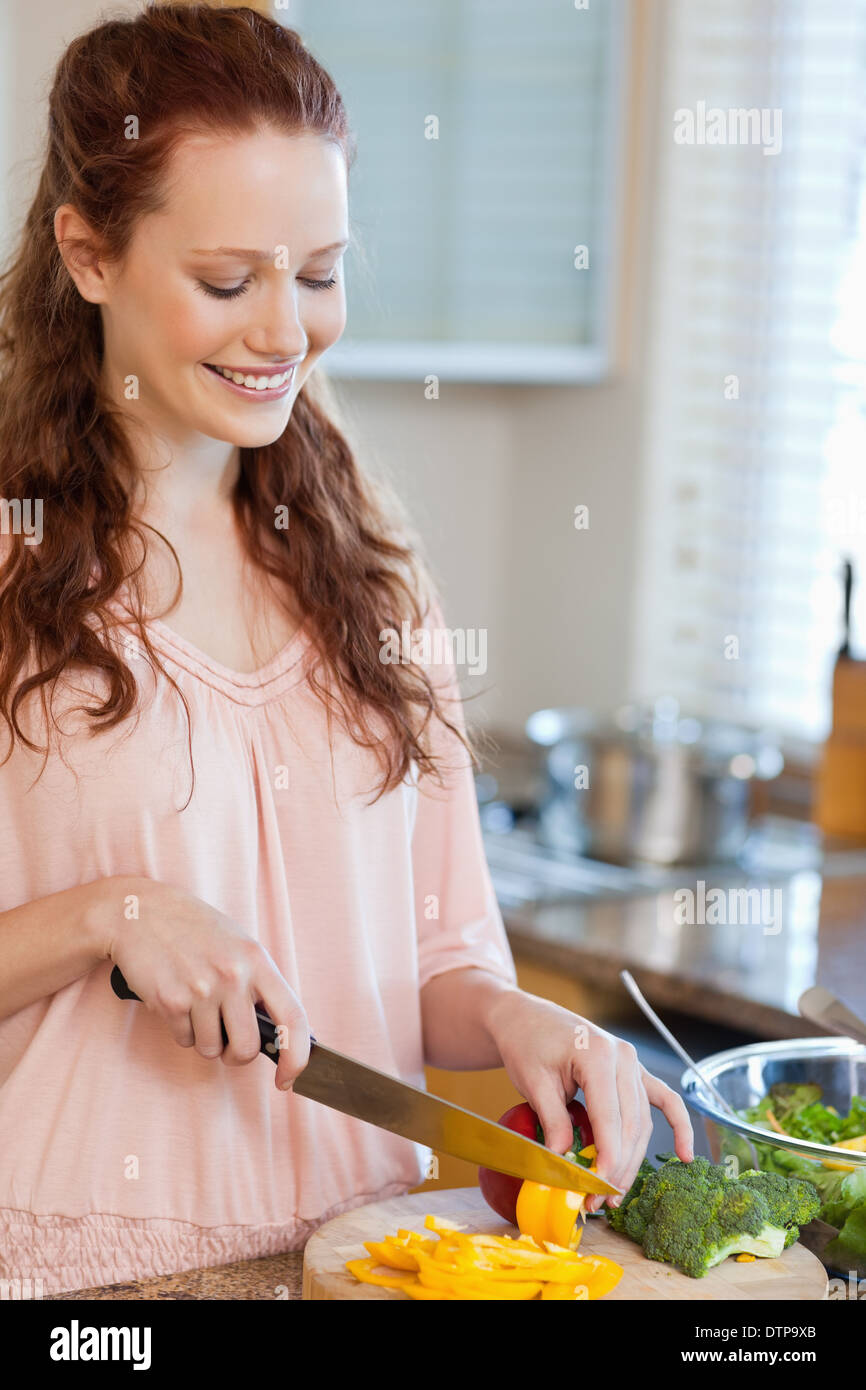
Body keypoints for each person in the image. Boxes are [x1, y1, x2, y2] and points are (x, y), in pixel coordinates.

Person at [0, 4, 692, 1295]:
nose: (284, 332)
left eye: (318, 273)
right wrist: (110, 916)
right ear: (87, 255)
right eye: (227, 280)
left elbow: (432, 952)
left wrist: (511, 1017)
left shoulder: (364, 555)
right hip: (80, 1287)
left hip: (368, 1265)